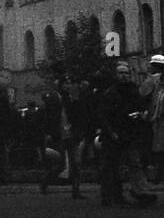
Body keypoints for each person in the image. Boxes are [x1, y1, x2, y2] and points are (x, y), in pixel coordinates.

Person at [97, 60, 156, 207]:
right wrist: (110, 132)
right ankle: (111, 196)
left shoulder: (134, 91)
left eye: (126, 73)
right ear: (116, 75)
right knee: (111, 167)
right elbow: (103, 115)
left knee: (134, 163)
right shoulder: (110, 93)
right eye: (120, 73)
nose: (123, 76)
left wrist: (141, 115)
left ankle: (140, 192)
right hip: (114, 135)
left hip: (130, 134)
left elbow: (142, 107)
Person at [40, 73, 91, 199]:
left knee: (76, 163)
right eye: (66, 83)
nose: (68, 86)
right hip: (60, 133)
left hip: (72, 133)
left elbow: (81, 114)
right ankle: (46, 181)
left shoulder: (73, 97)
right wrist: (50, 132)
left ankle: (76, 189)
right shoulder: (56, 97)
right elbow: (49, 116)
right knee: (61, 163)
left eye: (70, 83)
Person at [139, 54, 164, 181]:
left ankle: (157, 173)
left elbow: (142, 94)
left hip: (155, 119)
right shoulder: (155, 80)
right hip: (155, 118)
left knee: (155, 146)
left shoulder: (153, 80)